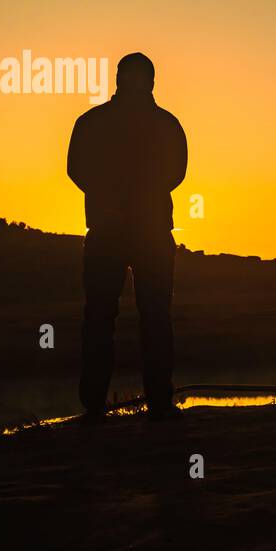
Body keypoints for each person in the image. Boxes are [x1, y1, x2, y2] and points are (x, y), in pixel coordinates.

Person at [67, 52, 187, 420]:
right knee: (137, 316)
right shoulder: (165, 124)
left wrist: (114, 199)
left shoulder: (94, 122)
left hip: (122, 230)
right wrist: (135, 199)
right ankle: (152, 403)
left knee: (113, 317)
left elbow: (77, 169)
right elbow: (176, 172)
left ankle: (104, 404)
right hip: (132, 230)